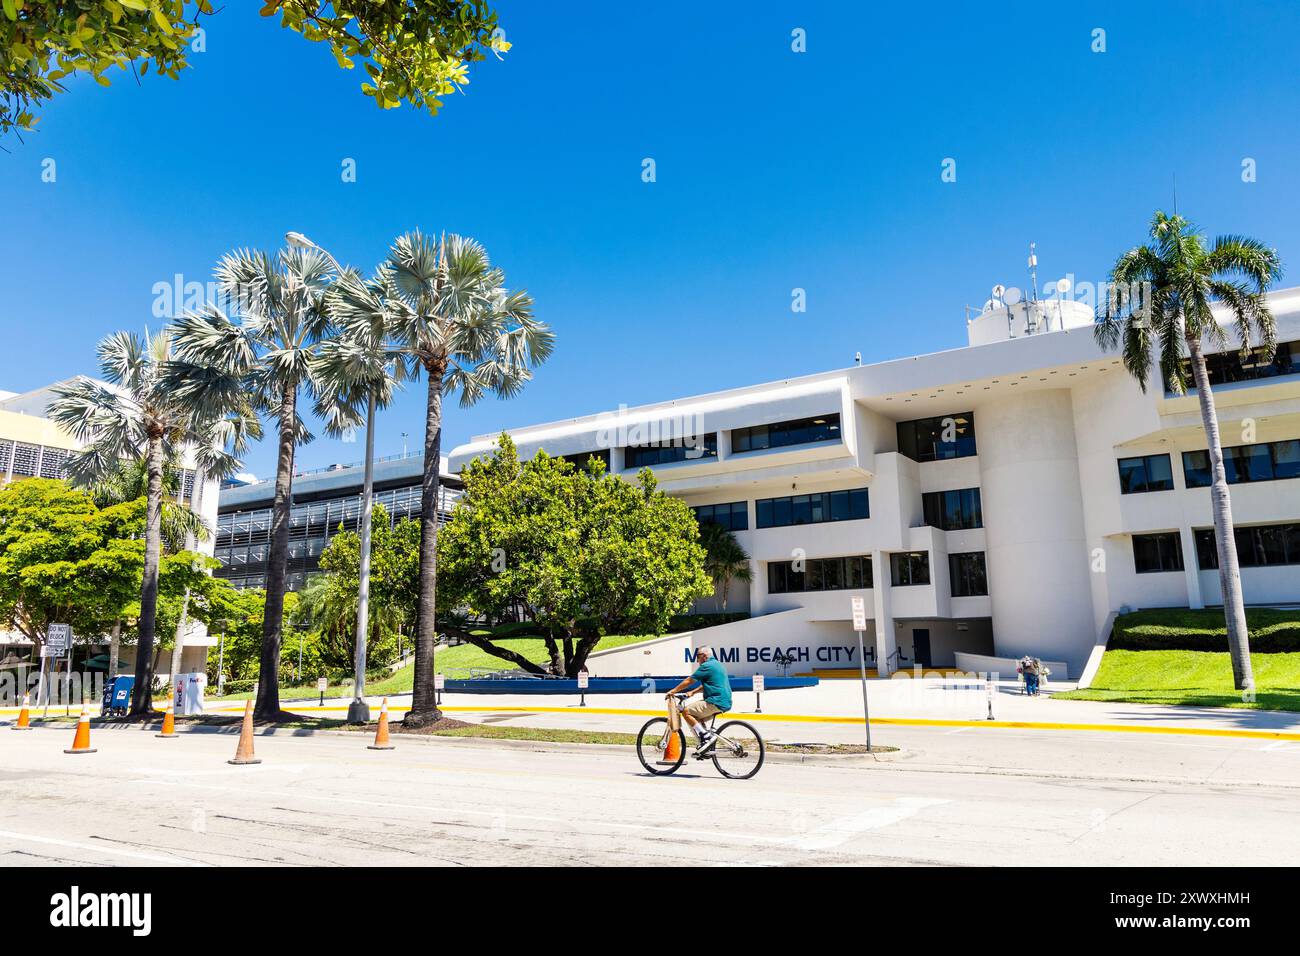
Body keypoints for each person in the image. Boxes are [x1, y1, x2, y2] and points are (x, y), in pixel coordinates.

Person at [665, 646, 733, 755]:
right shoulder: (717, 665)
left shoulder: (707, 665)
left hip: (715, 701)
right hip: (724, 702)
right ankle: (705, 745)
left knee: (687, 711)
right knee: (695, 717)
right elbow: (708, 685)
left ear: (705, 656)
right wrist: (692, 692)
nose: (697, 660)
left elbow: (690, 680)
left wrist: (673, 691)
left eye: (698, 657)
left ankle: (705, 737)